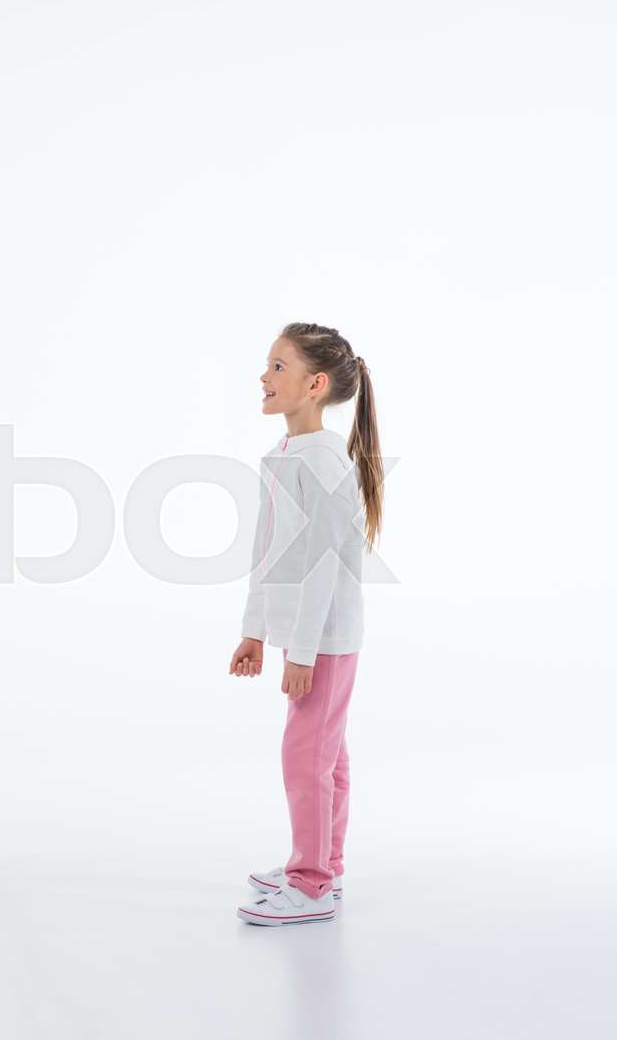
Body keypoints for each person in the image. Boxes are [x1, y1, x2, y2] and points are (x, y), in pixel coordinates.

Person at [229, 322, 385, 926]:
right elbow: (270, 554)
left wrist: (301, 650)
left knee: (306, 756)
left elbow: (321, 567)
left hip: (323, 640)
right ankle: (321, 863)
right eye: (267, 365)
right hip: (306, 638)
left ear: (314, 384)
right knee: (324, 753)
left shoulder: (322, 462)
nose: (263, 377)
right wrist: (255, 630)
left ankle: (313, 882)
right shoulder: (286, 455)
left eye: (277, 366)